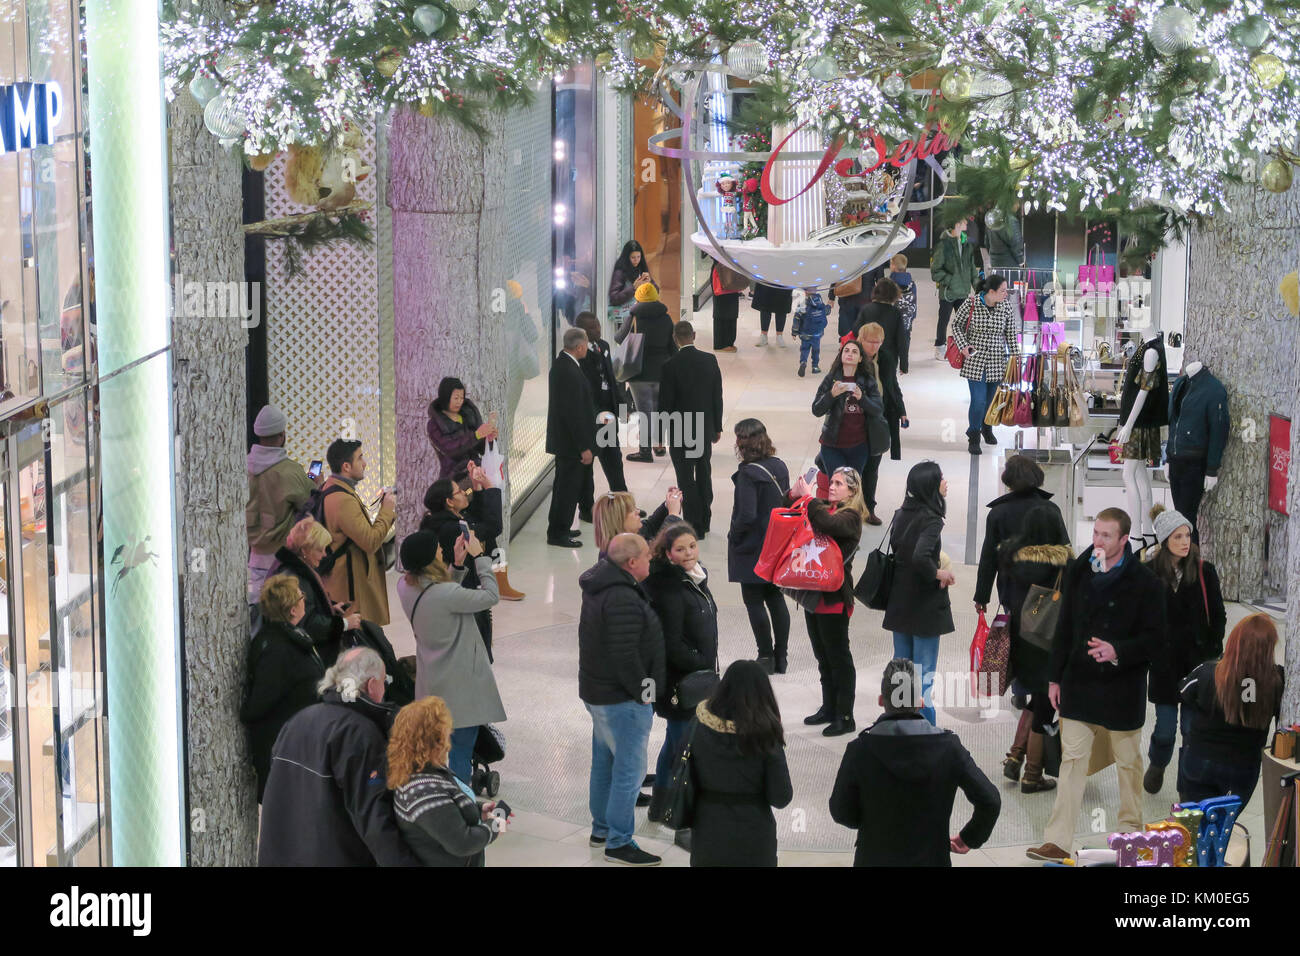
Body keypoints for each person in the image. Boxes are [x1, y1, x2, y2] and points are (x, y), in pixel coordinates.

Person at [1027, 508, 1165, 863]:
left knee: (1129, 764)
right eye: (1096, 533)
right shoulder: (1078, 572)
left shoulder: (1146, 583)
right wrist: (1054, 677)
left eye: (1106, 535)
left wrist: (1118, 650)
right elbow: (1064, 627)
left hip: (1123, 687)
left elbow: (1156, 639)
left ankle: (1131, 833)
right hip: (1079, 683)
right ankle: (1056, 840)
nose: (1098, 541)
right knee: (1072, 761)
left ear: (1124, 540)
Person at [829, 658, 1000, 866]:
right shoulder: (949, 747)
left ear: (882, 700)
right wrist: (970, 837)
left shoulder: (860, 749)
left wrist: (870, 822)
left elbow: (840, 811)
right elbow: (990, 801)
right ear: (920, 701)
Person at [258, 647, 419, 866]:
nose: (385, 688)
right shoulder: (361, 735)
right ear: (372, 685)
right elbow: (374, 820)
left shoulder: (297, 722)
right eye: (384, 681)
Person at [577, 533, 666, 865]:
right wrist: (646, 695)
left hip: (599, 693)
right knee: (630, 770)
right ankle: (619, 841)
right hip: (620, 699)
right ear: (631, 563)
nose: (650, 559)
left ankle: (601, 829)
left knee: (605, 763)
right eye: (646, 555)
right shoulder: (622, 598)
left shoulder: (601, 586)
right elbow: (626, 657)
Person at [397, 530, 504, 785]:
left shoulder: (404, 587)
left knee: (436, 750)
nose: (441, 550)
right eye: (437, 549)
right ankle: (462, 804)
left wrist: (456, 564)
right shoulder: (446, 595)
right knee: (461, 752)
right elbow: (491, 596)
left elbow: (443, 597)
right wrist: (479, 557)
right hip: (461, 686)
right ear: (429, 559)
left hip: (431, 682)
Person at [1142, 505, 1226, 795]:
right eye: (1177, 536)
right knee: (1165, 729)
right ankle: (1158, 763)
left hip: (1196, 665)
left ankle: (1186, 782)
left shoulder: (1204, 571)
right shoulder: (1150, 573)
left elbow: (1218, 614)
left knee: (1191, 731)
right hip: (1164, 665)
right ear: (1164, 540)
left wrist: (1214, 650)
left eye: (1187, 535)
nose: (1184, 541)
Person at [992, 505, 1073, 793]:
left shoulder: (1009, 555)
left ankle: (1016, 754)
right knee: (1045, 704)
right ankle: (1032, 774)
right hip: (1049, 638)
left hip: (1018, 635)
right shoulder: (1062, 562)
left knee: (1037, 698)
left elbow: (1002, 591)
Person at [644, 523, 718, 824]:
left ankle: (661, 805)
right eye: (681, 549)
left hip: (696, 677)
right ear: (668, 553)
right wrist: (700, 660)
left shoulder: (695, 579)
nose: (689, 553)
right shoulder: (670, 586)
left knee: (675, 744)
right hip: (681, 683)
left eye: (692, 546)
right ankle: (671, 807)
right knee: (681, 746)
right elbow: (671, 641)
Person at [688, 661, 793, 867]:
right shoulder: (766, 736)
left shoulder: (698, 727)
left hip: (708, 830)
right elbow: (781, 797)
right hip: (754, 837)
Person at [789, 466, 868, 736]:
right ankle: (829, 707)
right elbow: (792, 510)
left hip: (834, 599)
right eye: (830, 482)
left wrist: (809, 499)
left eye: (838, 483)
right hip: (815, 595)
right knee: (823, 657)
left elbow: (826, 525)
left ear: (852, 490)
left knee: (839, 658)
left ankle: (845, 715)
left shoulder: (851, 517)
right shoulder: (827, 507)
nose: (831, 486)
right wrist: (796, 494)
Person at [389, 696, 509, 867]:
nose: (450, 733)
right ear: (435, 739)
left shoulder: (420, 771)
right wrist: (494, 827)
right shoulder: (425, 791)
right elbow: (462, 843)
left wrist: (478, 809)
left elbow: (446, 812)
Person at [1178, 614, 1285, 806]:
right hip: (1243, 769)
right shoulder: (1277, 682)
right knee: (1224, 826)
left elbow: (1183, 692)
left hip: (1201, 761)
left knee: (1194, 826)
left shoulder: (1207, 674)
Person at [240, 574, 327, 802]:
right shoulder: (277, 650)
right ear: (291, 610)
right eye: (301, 597)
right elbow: (259, 704)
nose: (304, 601)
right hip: (286, 751)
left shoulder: (286, 638)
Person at [883, 462, 955, 726]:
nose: (946, 483)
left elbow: (903, 551)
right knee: (923, 674)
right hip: (924, 603)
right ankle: (926, 730)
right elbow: (920, 557)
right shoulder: (932, 520)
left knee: (901, 669)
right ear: (930, 487)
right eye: (941, 479)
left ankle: (898, 722)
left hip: (900, 599)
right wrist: (941, 574)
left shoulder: (900, 513)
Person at [419, 462, 514, 660]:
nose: (464, 492)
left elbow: (474, 519)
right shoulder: (452, 529)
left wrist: (477, 488)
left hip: (458, 592)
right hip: (466, 595)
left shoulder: (442, 520)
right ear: (449, 502)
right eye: (458, 492)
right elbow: (492, 526)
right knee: (478, 651)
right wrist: (489, 487)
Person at [727, 419, 792, 673]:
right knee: (775, 597)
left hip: (752, 546)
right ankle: (782, 656)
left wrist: (734, 535)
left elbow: (746, 515)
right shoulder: (779, 465)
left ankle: (765, 656)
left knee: (754, 600)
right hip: (777, 543)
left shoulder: (748, 474)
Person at [974, 454, 1070, 615]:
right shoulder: (1051, 510)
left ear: (1008, 480)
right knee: (1043, 633)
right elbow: (1066, 552)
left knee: (1014, 634)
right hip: (1047, 589)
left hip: (1012, 590)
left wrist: (982, 597)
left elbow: (989, 559)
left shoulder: (998, 513)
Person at [321, 438, 396, 626]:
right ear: (346, 466)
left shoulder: (333, 489)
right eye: (360, 458)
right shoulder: (342, 499)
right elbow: (370, 541)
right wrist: (387, 510)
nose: (365, 463)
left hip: (344, 582)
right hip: (351, 589)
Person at [659, 320, 723, 537]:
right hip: (704, 428)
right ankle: (705, 520)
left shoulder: (669, 365)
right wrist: (717, 427)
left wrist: (659, 434)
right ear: (694, 335)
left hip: (680, 430)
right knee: (704, 472)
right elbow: (717, 396)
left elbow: (665, 404)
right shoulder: (709, 360)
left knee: (686, 477)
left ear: (675, 339)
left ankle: (693, 524)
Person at [246, 403, 316, 603]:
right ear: (282, 435)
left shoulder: (243, 467)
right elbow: (310, 503)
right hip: (282, 562)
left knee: (257, 616)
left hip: (254, 560)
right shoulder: (290, 472)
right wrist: (315, 484)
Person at [950, 274, 1018, 456]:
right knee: (978, 401)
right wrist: (963, 345)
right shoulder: (971, 304)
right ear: (991, 292)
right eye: (1003, 290)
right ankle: (973, 435)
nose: (1006, 293)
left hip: (997, 360)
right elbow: (956, 325)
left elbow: (1011, 333)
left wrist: (1015, 358)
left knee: (991, 402)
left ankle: (987, 427)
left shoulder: (1006, 306)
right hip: (976, 360)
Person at [811, 338, 890, 494]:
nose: (849, 354)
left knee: (852, 490)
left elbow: (878, 409)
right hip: (832, 445)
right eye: (846, 350)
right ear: (841, 355)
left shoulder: (868, 381)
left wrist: (862, 398)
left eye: (854, 352)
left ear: (860, 358)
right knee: (838, 488)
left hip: (858, 445)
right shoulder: (831, 379)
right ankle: (836, 518)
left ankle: (849, 518)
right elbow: (816, 409)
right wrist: (831, 395)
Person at [545, 327, 597, 548]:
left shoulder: (563, 366)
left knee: (564, 488)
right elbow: (573, 413)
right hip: (570, 445)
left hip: (566, 443)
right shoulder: (567, 370)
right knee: (567, 490)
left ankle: (560, 528)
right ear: (580, 346)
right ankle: (558, 533)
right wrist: (584, 446)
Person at [574, 310, 628, 521]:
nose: (598, 328)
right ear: (584, 332)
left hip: (609, 417)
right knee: (587, 466)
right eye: (594, 326)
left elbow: (613, 382)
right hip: (592, 420)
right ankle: (586, 509)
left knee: (614, 460)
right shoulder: (580, 357)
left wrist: (621, 409)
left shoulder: (604, 346)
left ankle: (623, 504)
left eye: (597, 324)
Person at [618, 282, 677, 462]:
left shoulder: (634, 317)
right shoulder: (666, 318)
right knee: (660, 409)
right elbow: (672, 347)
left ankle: (644, 452)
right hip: (662, 370)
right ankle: (659, 446)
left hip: (639, 371)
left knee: (644, 412)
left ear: (638, 298)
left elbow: (619, 337)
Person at [854, 323, 899, 522]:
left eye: (878, 342)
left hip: (878, 420)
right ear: (860, 339)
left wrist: (902, 410)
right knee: (855, 467)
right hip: (855, 419)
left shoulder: (887, 358)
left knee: (872, 467)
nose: (874, 346)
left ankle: (869, 508)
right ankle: (852, 508)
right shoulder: (851, 357)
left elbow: (892, 385)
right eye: (870, 342)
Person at [426, 376, 497, 480]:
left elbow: (481, 449)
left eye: (462, 398)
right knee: (468, 492)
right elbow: (450, 448)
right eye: (456, 398)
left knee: (490, 488)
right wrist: (476, 435)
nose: (459, 402)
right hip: (456, 478)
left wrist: (489, 439)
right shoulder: (434, 424)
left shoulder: (468, 415)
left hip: (477, 471)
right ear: (446, 398)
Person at [930, 216, 979, 360]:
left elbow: (971, 268)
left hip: (963, 291)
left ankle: (964, 348)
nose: (966, 223)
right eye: (964, 221)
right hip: (948, 292)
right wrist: (950, 280)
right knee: (944, 319)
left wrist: (978, 287)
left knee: (964, 322)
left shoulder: (966, 244)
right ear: (957, 224)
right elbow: (935, 271)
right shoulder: (943, 245)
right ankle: (940, 347)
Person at [593, 489, 683, 555]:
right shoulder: (622, 550)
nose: (638, 511)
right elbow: (658, 549)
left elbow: (650, 526)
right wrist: (673, 515)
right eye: (632, 510)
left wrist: (667, 505)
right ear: (618, 520)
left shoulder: (625, 535)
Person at [854, 278, 908, 375]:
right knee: (887, 385)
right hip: (889, 357)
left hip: (868, 355)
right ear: (894, 294)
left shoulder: (866, 309)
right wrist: (904, 364)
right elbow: (901, 340)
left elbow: (856, 330)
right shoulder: (895, 312)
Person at [608, 239, 655, 330]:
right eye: (633, 257)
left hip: (642, 316)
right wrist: (633, 288)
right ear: (627, 257)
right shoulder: (620, 272)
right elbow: (614, 298)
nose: (636, 260)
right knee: (630, 342)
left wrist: (650, 283)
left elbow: (656, 292)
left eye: (638, 257)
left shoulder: (642, 269)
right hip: (626, 319)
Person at [888, 253, 917, 364]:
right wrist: (913, 316)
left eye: (890, 263)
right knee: (905, 337)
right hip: (907, 317)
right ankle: (904, 358)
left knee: (892, 338)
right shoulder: (911, 283)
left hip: (892, 318)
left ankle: (893, 360)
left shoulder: (890, 282)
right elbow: (914, 301)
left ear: (894, 266)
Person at [794, 289, 828, 377]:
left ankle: (803, 362)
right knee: (816, 351)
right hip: (817, 334)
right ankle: (815, 367)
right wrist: (829, 306)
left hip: (805, 333)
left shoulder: (802, 305)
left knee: (805, 349)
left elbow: (797, 318)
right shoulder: (820, 303)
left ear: (804, 292)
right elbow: (826, 312)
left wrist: (794, 332)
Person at [710, 261, 742, 352]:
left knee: (731, 310)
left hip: (729, 269)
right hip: (722, 271)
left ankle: (729, 342)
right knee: (722, 309)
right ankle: (720, 344)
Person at [751, 282, 792, 347]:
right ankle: (763, 336)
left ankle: (779, 336)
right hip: (767, 278)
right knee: (765, 305)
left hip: (784, 280)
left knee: (782, 306)